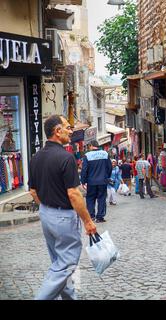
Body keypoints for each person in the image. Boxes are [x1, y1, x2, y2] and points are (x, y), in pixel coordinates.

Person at [29, 115, 97, 300]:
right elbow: (74, 194)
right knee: (65, 265)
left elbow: (33, 191)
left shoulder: (36, 157)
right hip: (63, 218)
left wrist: (47, 208)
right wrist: (88, 221)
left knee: (59, 263)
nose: (71, 130)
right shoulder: (66, 158)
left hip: (46, 214)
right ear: (57, 131)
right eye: (67, 127)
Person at [81, 140, 112, 223]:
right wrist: (107, 177)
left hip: (91, 182)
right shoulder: (105, 154)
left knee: (90, 198)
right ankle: (100, 217)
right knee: (102, 198)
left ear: (91, 146)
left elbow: (84, 170)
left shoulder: (87, 155)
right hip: (103, 181)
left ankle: (91, 216)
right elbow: (109, 167)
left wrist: (83, 181)